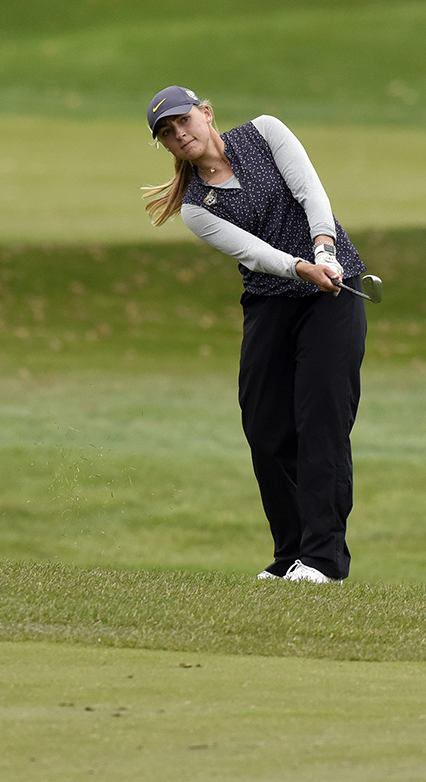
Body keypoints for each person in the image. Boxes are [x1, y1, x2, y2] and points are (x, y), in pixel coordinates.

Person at [141, 86, 367, 584]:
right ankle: (291, 556)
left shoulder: (265, 132)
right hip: (271, 302)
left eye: (184, 121)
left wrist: (325, 250)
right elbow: (257, 254)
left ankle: (324, 561)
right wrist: (301, 266)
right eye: (167, 133)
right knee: (265, 429)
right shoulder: (197, 207)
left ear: (206, 114)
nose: (180, 134)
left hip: (333, 293)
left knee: (321, 422)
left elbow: (311, 191)